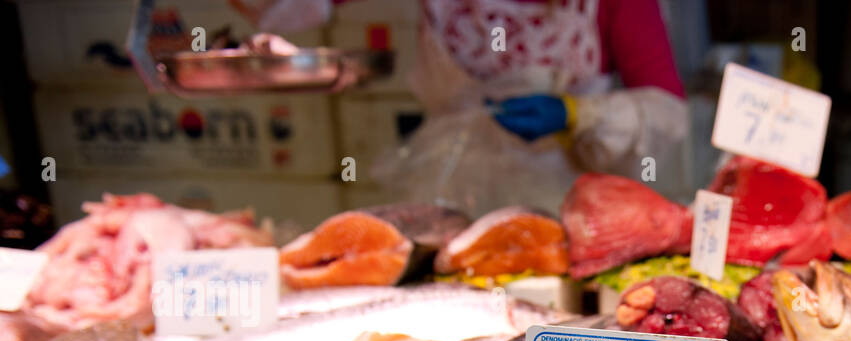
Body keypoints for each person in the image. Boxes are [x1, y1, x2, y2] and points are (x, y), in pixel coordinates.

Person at [234, 0, 689, 210]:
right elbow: (278, 7)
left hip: (570, 208)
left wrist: (577, 115)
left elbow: (669, 114)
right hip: (442, 201)